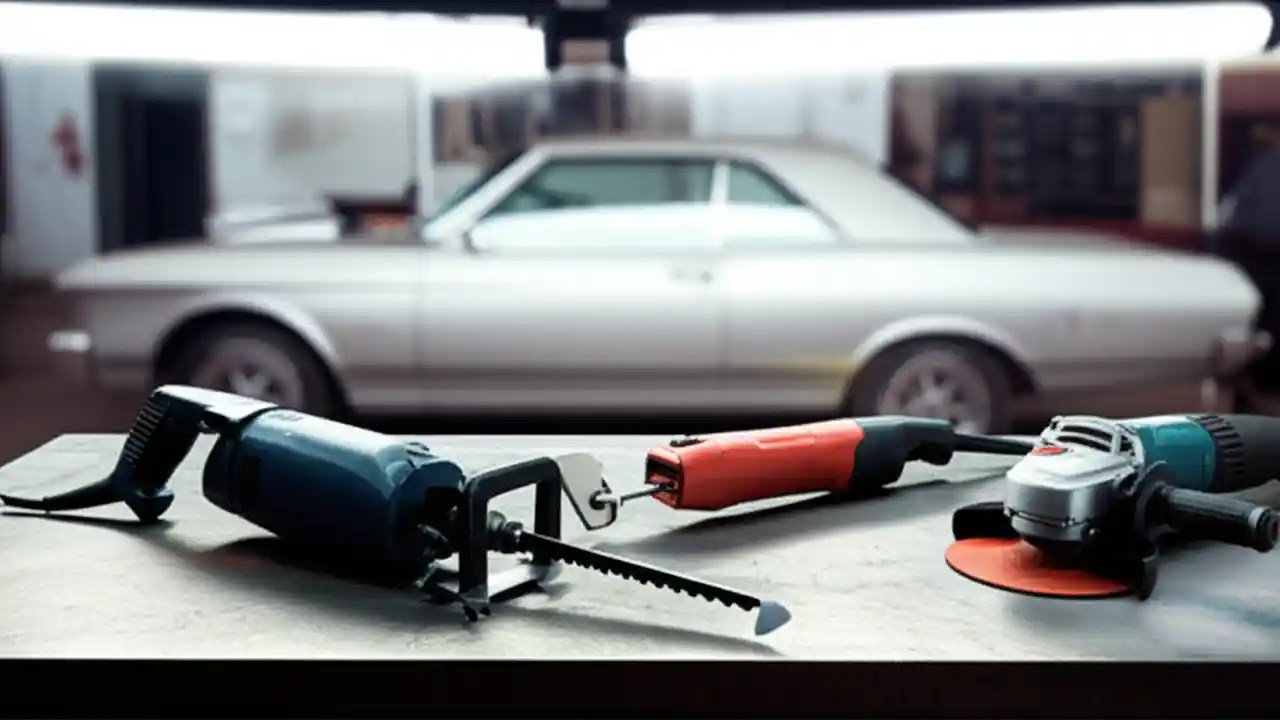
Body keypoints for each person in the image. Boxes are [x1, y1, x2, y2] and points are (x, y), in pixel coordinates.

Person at [1211, 122, 1280, 398]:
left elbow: (1227, 217)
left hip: (1252, 255)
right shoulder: (1266, 164)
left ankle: (1252, 383)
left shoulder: (1261, 164)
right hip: (1260, 255)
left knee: (1257, 321)